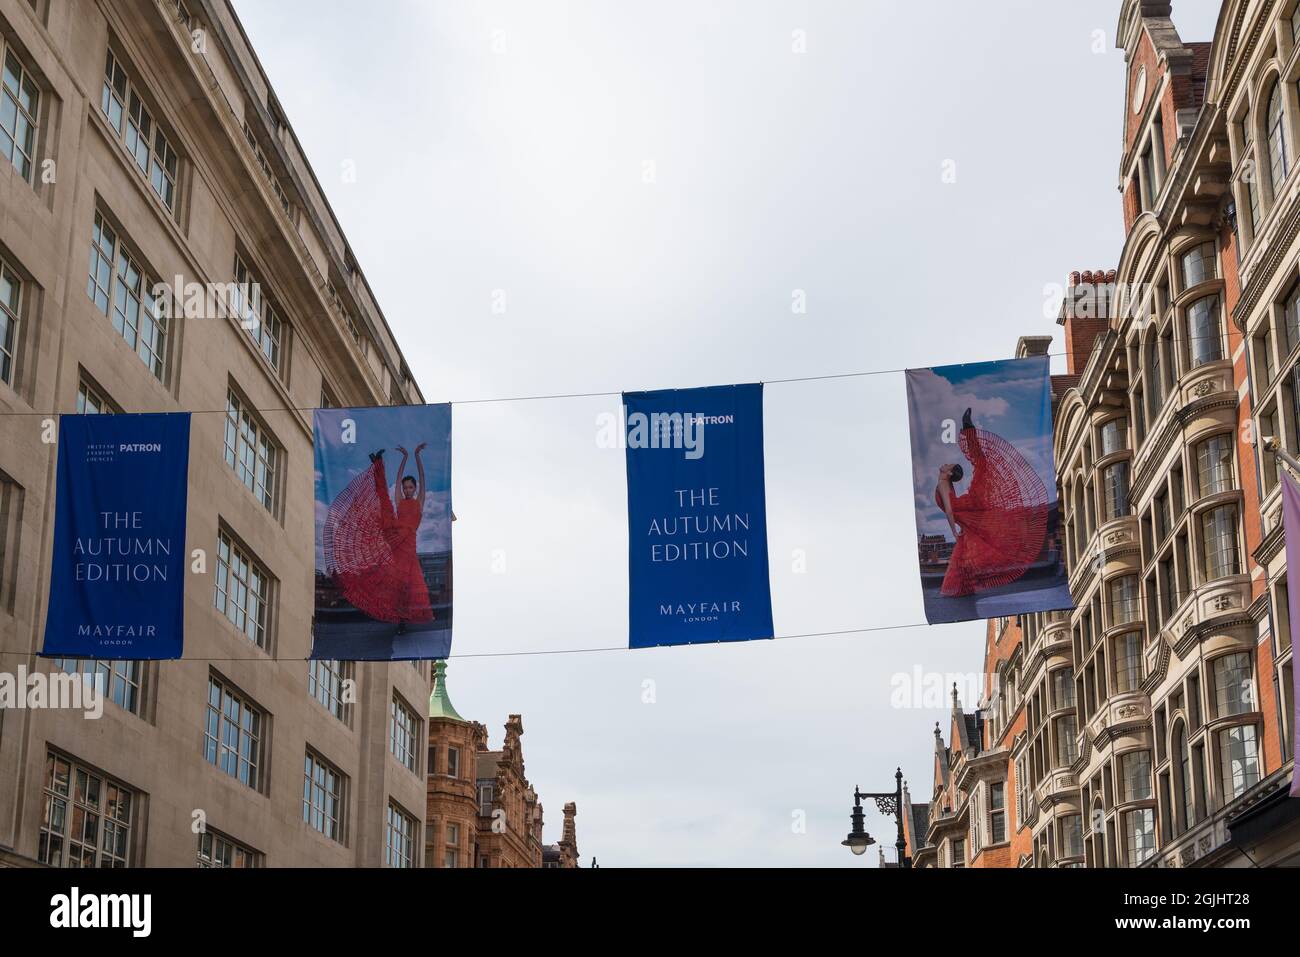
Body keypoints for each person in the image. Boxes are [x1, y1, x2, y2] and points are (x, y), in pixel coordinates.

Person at [934, 408, 1048, 597]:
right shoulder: (944, 483)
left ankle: (969, 430)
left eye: (949, 466)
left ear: (949, 473)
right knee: (983, 466)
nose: (945, 464)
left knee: (983, 467)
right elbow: (949, 509)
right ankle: (968, 430)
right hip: (967, 509)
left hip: (968, 507)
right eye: (948, 465)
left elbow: (949, 509)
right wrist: (955, 530)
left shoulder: (943, 483)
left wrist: (956, 529)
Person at [325, 443, 434, 630]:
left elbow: (423, 478)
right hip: (396, 536)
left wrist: (417, 456)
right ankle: (378, 464)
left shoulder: (419, 502)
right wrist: (404, 458)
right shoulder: (400, 501)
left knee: (407, 586)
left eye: (410, 487)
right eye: (405, 487)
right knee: (384, 502)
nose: (407, 490)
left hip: (409, 546)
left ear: (415, 489)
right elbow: (399, 479)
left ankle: (402, 621)